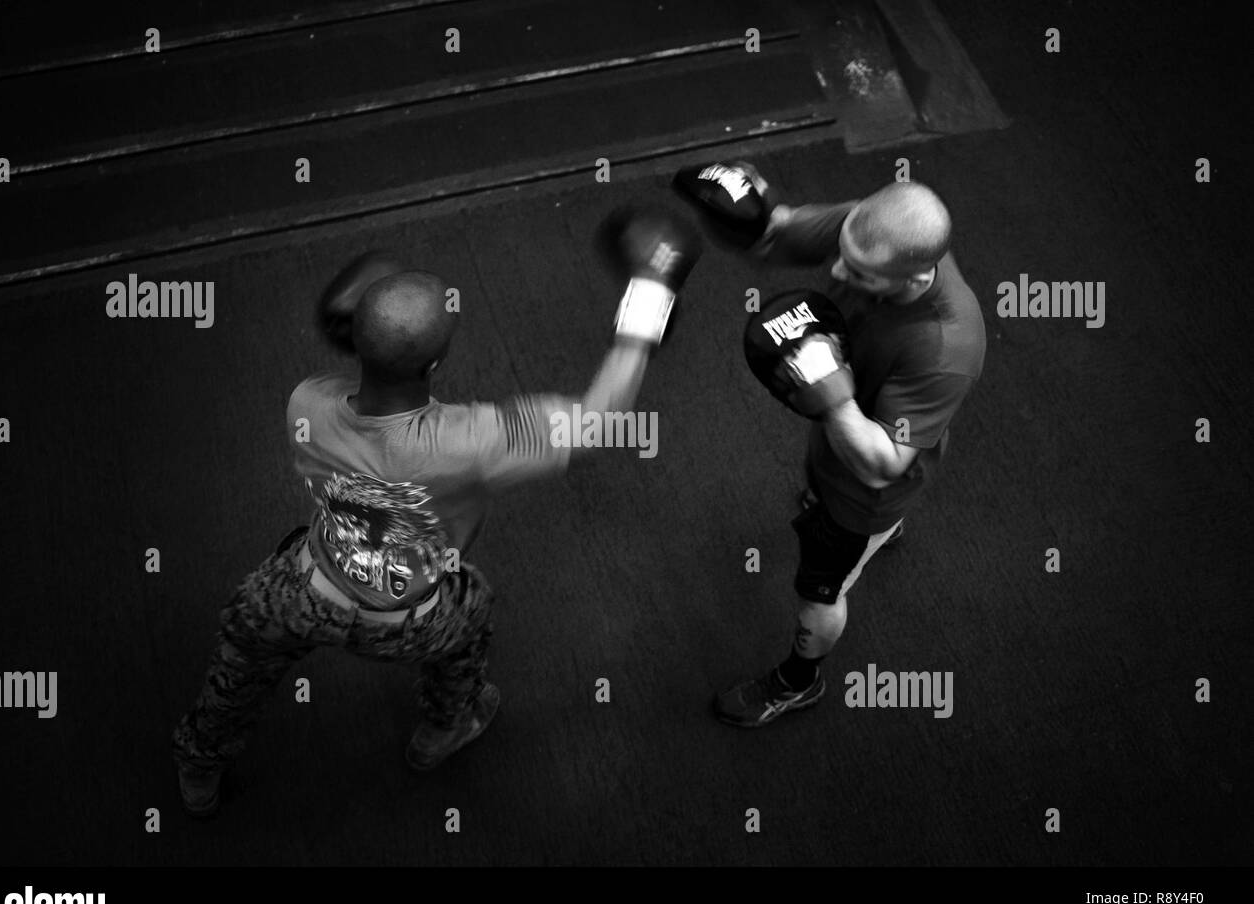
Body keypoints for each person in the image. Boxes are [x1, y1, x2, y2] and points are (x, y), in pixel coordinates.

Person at [171, 209, 701, 816]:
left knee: (239, 652)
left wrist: (371, 332)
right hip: (413, 616)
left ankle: (198, 762)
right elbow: (598, 419)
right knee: (469, 621)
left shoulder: (308, 401)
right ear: (435, 366)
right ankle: (440, 732)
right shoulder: (472, 441)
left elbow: (365, 382)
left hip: (305, 587)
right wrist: (647, 303)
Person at [677, 169, 986, 727]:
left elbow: (881, 467)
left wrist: (830, 389)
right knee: (841, 468)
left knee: (818, 592)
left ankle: (798, 681)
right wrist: (730, 216)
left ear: (916, 276)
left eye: (860, 274)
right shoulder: (864, 230)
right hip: (862, 439)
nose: (839, 271)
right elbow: (773, 238)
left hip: (861, 495)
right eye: (843, 254)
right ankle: (884, 535)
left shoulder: (947, 344)